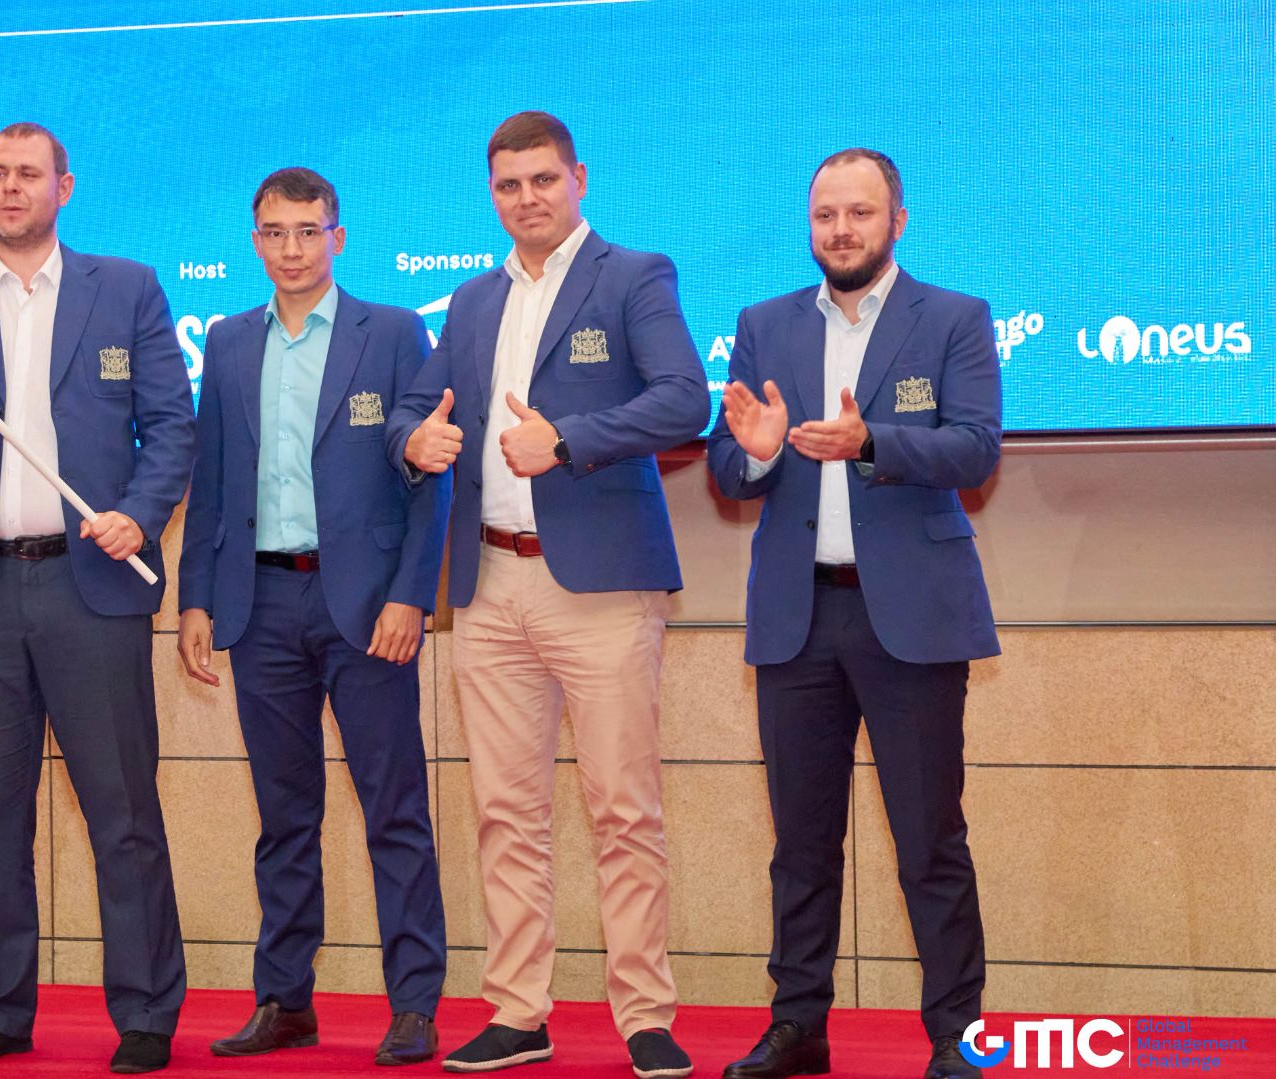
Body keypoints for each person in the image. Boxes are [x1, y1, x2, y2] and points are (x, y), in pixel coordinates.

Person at [385, 112, 707, 1079]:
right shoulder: (473, 298)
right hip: (489, 585)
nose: (526, 198)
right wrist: (413, 440)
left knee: (624, 811)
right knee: (504, 812)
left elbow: (684, 398)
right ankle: (519, 1011)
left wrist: (565, 440)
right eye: (508, 185)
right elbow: (416, 405)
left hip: (601, 586)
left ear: (578, 179)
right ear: (492, 195)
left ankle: (644, 1016)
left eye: (542, 180)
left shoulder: (634, 274)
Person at [0, 123, 195, 1074]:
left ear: (64, 187)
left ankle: (145, 1012)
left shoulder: (127, 288)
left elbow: (172, 427)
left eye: (28, 174)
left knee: (122, 813)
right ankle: (1, 1008)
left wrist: (140, 514)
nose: (10, 188)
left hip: (90, 586)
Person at [706, 148, 999, 1079]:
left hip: (910, 620)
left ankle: (957, 1033)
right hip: (797, 618)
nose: (841, 230)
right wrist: (757, 452)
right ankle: (799, 1024)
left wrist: (873, 442)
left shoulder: (953, 317)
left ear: (897, 221)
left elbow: (976, 449)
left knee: (930, 842)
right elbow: (727, 466)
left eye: (860, 213)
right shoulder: (764, 324)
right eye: (826, 214)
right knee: (800, 845)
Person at [177, 167, 451, 1067]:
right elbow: (212, 482)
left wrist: (411, 594)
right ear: (255, 241)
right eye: (274, 232)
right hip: (259, 605)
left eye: (307, 230)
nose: (291, 248)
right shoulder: (227, 341)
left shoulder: (394, 332)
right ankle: (285, 1000)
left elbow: (430, 478)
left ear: (338, 236)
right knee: (283, 816)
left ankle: (414, 1004)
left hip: (367, 608)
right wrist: (194, 597)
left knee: (394, 810)